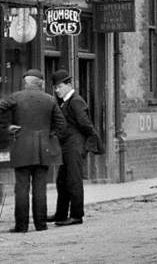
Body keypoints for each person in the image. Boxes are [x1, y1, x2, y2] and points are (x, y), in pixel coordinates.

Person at [0, 69, 66, 232]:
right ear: (41, 84)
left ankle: (22, 225)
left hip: (22, 148)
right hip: (43, 150)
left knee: (21, 188)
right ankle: (41, 225)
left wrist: (7, 127)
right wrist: (49, 136)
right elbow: (62, 125)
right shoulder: (50, 100)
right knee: (40, 188)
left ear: (27, 83)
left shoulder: (16, 97)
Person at [49, 69, 101, 226]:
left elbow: (86, 124)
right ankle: (61, 213)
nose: (57, 90)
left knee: (74, 180)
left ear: (69, 85)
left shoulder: (76, 101)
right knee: (62, 180)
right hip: (67, 146)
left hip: (75, 146)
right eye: (55, 88)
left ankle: (76, 215)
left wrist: (87, 144)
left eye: (59, 87)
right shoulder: (66, 101)